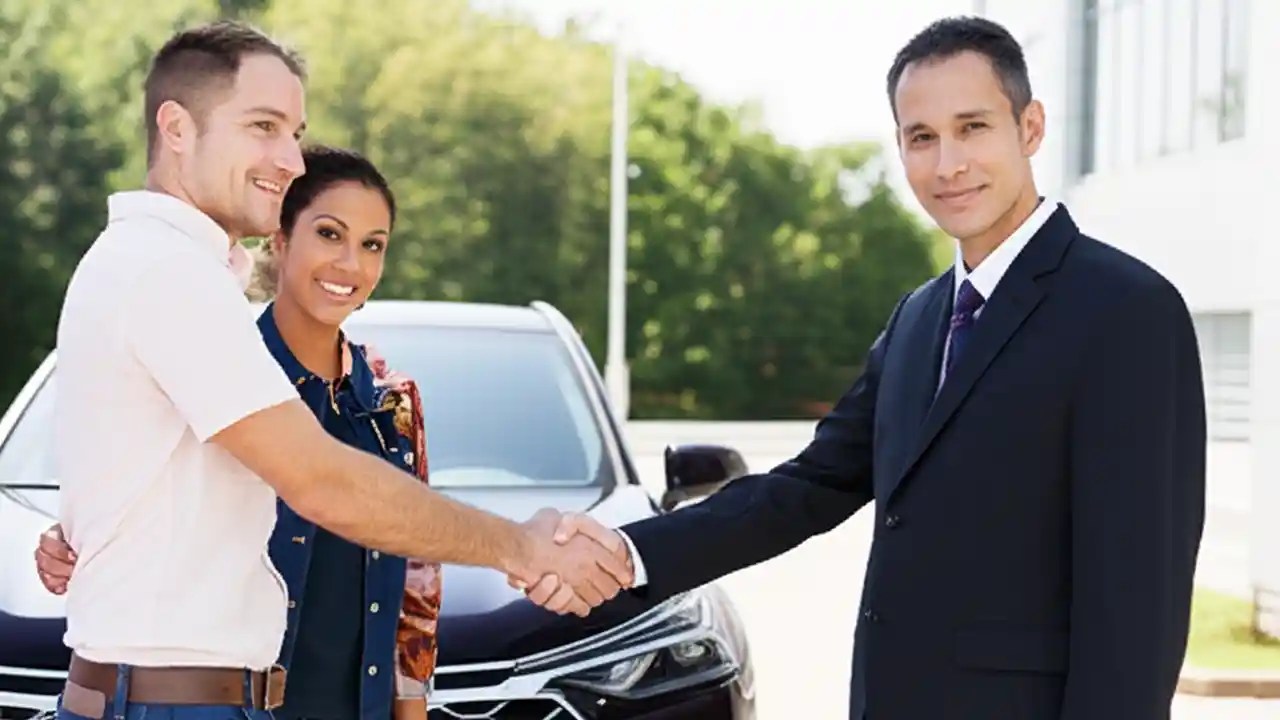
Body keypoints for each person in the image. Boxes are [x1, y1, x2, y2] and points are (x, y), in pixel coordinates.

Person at [539, 15, 1207, 720]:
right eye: (922, 137)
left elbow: (1138, 601)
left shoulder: (1127, 310)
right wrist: (626, 552)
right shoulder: (918, 318)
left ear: (1030, 128)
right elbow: (809, 486)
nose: (947, 164)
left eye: (973, 127)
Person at [45, 19, 629, 720]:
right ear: (176, 128)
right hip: (170, 703)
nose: (290, 158)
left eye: (294, 131)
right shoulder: (167, 273)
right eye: (263, 126)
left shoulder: (171, 271)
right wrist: (521, 546)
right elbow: (319, 479)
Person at [38, 144, 448, 720]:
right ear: (278, 240)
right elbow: (139, 479)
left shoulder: (392, 400)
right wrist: (74, 537)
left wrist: (410, 712)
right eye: (329, 234)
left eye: (372, 245)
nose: (351, 265)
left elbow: (416, 591)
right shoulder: (215, 366)